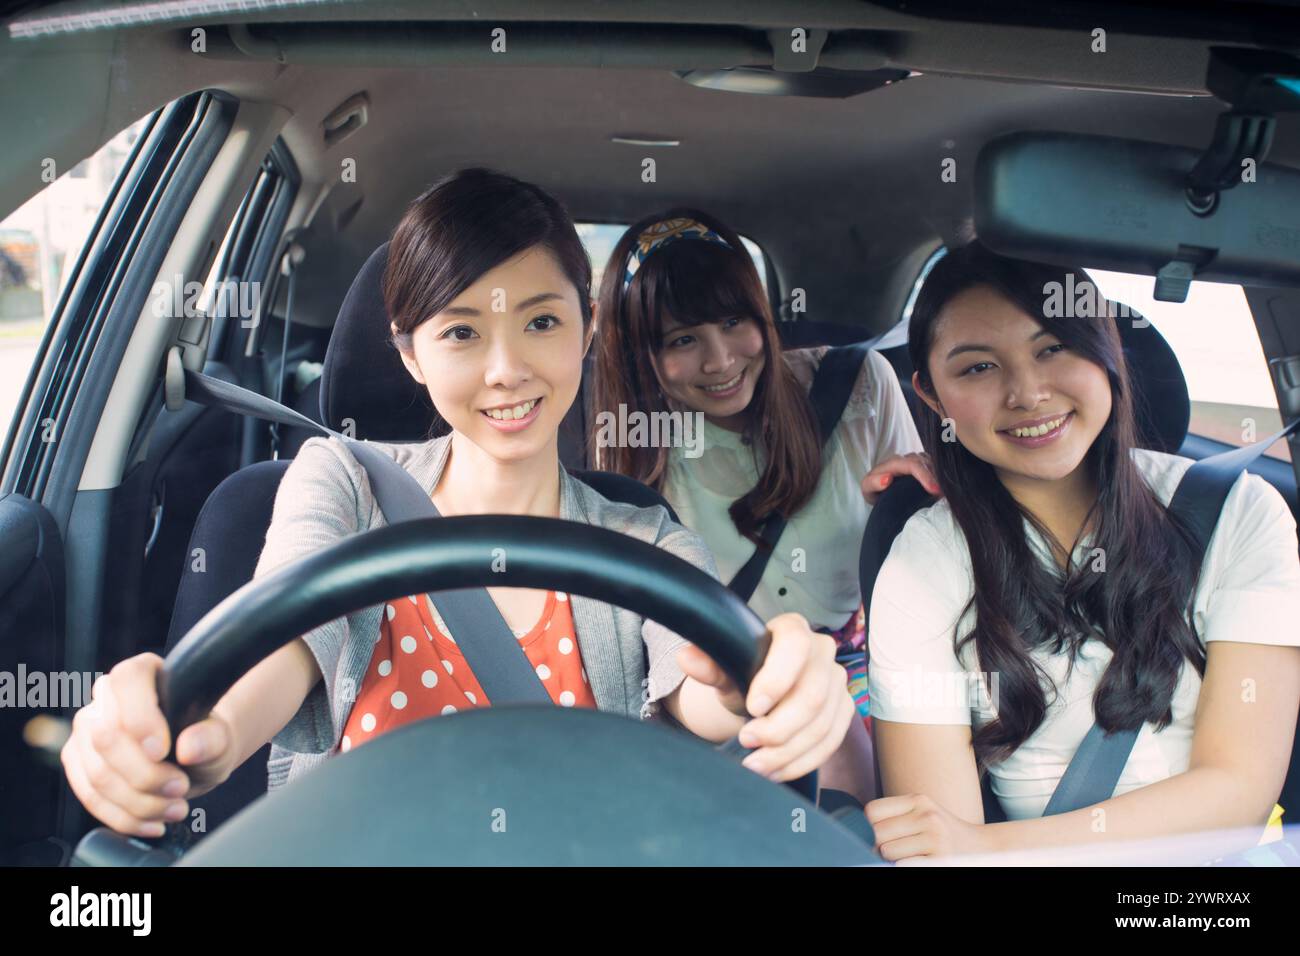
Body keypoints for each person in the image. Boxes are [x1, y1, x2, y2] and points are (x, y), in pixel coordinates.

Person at [60, 169, 856, 838]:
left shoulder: (640, 533)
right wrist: (191, 733)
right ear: (409, 352)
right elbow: (289, 641)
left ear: (585, 330)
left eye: (541, 320)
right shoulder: (344, 480)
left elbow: (691, 691)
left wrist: (762, 683)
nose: (507, 370)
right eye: (462, 333)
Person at [865, 240, 1300, 861]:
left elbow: (1238, 790)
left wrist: (992, 849)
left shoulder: (1239, 511)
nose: (1027, 393)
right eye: (978, 368)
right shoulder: (923, 562)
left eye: (1052, 348)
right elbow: (940, 846)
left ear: (1107, 353)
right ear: (932, 398)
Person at [591, 209, 938, 802]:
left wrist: (926, 498)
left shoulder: (862, 385)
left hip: (865, 662)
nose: (721, 359)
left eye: (733, 321)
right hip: (718, 686)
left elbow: (924, 557)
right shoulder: (634, 445)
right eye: (682, 340)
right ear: (640, 355)